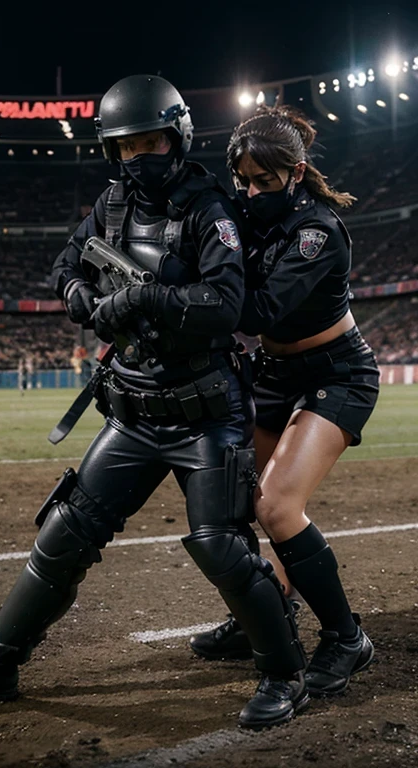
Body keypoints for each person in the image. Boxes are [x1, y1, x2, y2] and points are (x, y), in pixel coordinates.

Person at [0, 78, 309, 729]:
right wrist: (76, 291)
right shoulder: (110, 203)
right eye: (126, 146)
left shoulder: (210, 209)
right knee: (64, 533)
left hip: (206, 413)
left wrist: (143, 296)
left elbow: (226, 306)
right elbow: (66, 262)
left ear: (177, 138)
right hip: (132, 409)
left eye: (150, 142)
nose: (138, 157)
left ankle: (286, 674)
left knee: (221, 545)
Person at [190, 105, 380, 698]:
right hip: (273, 374)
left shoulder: (317, 231)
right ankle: (267, 613)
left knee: (277, 506)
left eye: (263, 180)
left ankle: (347, 638)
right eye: (243, 180)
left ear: (296, 173)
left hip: (337, 373)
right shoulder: (247, 213)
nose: (250, 192)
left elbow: (259, 311)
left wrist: (183, 299)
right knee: (236, 499)